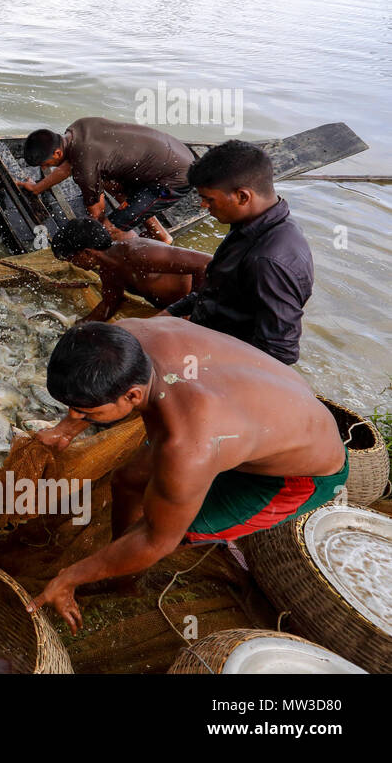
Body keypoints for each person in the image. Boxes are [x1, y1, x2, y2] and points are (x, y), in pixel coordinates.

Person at [28, 319, 347, 633]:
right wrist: (65, 431)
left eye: (86, 413)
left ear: (133, 396)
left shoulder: (187, 446)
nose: (75, 416)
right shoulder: (123, 341)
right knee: (127, 480)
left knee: (177, 533)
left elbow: (155, 540)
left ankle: (125, 581)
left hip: (295, 476)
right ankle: (119, 570)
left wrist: (69, 578)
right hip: (260, 412)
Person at [159, 140, 313, 366]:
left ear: (243, 196)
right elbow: (216, 291)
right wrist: (167, 316)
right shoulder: (250, 225)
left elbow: (279, 353)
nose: (203, 206)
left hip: (226, 362)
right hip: (209, 333)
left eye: (209, 199)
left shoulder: (268, 261)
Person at [17, 117, 195, 244]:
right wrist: (36, 188)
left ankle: (154, 247)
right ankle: (157, 233)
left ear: (57, 153)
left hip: (173, 178)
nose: (43, 168)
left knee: (109, 230)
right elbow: (69, 166)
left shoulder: (85, 165)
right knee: (112, 186)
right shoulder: (77, 128)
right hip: (173, 153)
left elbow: (97, 212)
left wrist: (91, 235)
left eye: (45, 164)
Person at [50, 217, 211, 322]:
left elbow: (206, 264)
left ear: (87, 253)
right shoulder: (108, 270)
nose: (73, 264)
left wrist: (194, 310)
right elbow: (109, 305)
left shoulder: (139, 253)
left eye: (71, 259)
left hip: (209, 309)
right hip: (173, 313)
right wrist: (78, 325)